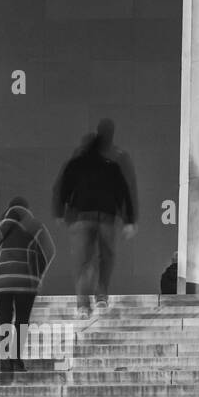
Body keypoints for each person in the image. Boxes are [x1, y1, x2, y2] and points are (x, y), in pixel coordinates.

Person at [53, 121, 137, 316]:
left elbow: (62, 189)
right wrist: (129, 220)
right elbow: (123, 193)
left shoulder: (76, 164)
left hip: (81, 218)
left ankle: (83, 305)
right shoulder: (111, 166)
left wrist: (59, 211)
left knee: (83, 262)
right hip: (106, 217)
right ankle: (100, 297)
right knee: (105, 258)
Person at [0, 197, 56, 374]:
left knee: (4, 320)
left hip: (2, 280)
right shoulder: (35, 225)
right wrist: (38, 271)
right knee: (21, 321)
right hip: (26, 281)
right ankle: (17, 360)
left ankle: (5, 363)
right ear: (27, 209)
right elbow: (50, 250)